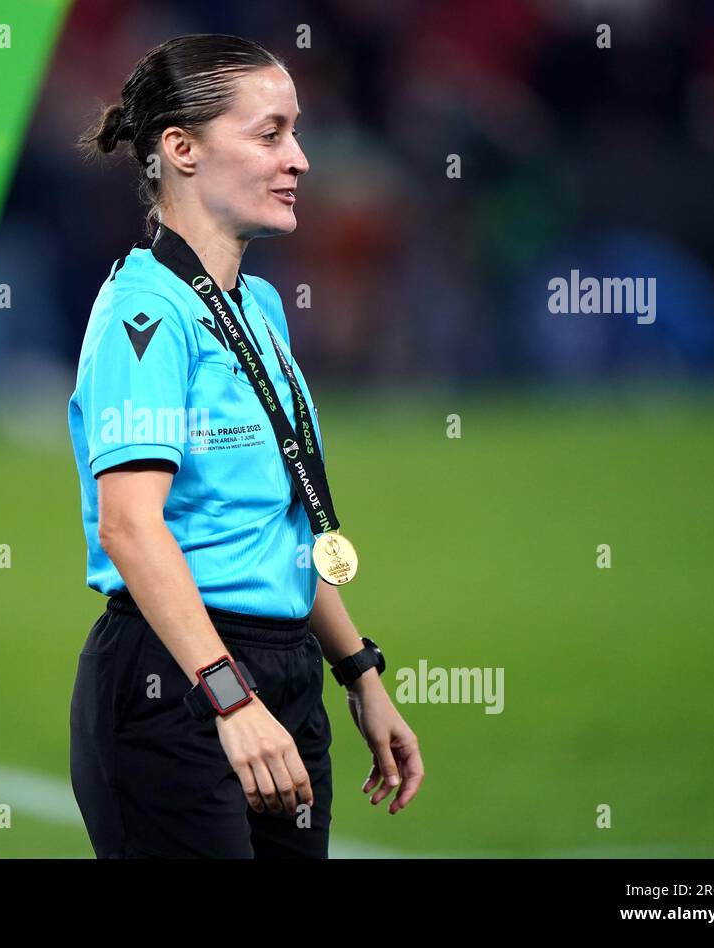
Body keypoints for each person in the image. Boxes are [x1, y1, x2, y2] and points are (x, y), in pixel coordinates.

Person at [66, 33, 424, 859]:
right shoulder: (143, 315)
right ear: (180, 149)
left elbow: (281, 521)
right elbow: (130, 526)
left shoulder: (257, 305)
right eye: (270, 135)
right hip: (178, 681)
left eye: (295, 133)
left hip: (286, 670)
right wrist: (229, 698)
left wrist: (358, 672)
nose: (299, 159)